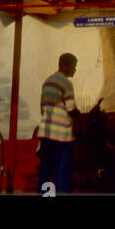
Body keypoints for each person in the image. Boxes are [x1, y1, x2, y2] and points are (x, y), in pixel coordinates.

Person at [38, 53, 78, 194]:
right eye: (74, 66)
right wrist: (82, 116)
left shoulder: (47, 81)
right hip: (61, 135)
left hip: (45, 132)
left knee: (45, 171)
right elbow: (71, 108)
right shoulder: (66, 83)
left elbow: (42, 107)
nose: (75, 70)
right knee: (61, 171)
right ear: (65, 66)